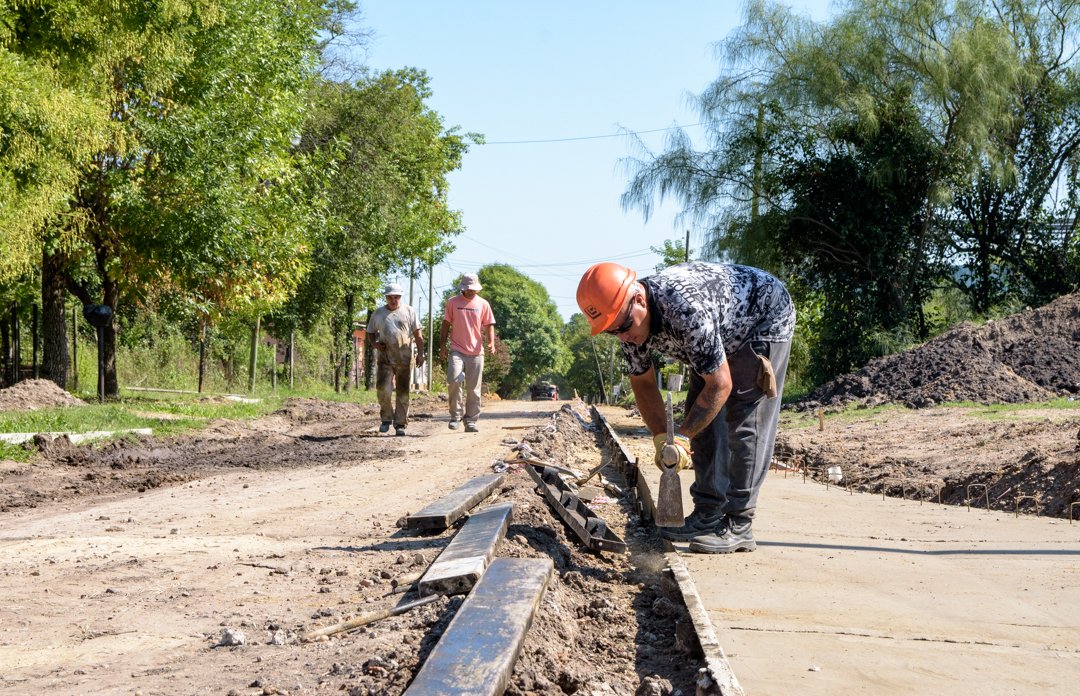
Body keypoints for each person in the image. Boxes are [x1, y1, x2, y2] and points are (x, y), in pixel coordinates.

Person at [576, 261, 795, 553]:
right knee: (700, 417)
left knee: (745, 421)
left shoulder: (684, 309)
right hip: (718, 329)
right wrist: (662, 438)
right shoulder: (626, 323)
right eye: (611, 331)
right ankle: (708, 513)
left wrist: (682, 437)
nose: (623, 337)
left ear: (639, 299)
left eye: (625, 327)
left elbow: (720, 385)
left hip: (762, 317)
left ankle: (739, 523)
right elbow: (643, 384)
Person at [438, 273, 496, 433]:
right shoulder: (452, 303)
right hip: (457, 349)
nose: (471, 292)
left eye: (473, 289)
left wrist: (491, 342)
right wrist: (442, 346)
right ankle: (455, 416)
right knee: (454, 380)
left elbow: (489, 324)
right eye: (468, 289)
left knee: (474, 389)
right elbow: (445, 325)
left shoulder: (483, 304)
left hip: (477, 352)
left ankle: (470, 420)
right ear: (463, 288)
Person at [366, 283, 424, 436]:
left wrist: (420, 353)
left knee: (403, 392)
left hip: (404, 358)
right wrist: (374, 344)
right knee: (383, 388)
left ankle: (400, 424)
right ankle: (386, 418)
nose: (393, 300)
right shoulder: (378, 313)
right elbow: (370, 332)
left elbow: (418, 334)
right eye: (390, 297)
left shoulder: (409, 311)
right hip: (385, 357)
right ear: (386, 297)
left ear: (400, 297)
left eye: (396, 297)